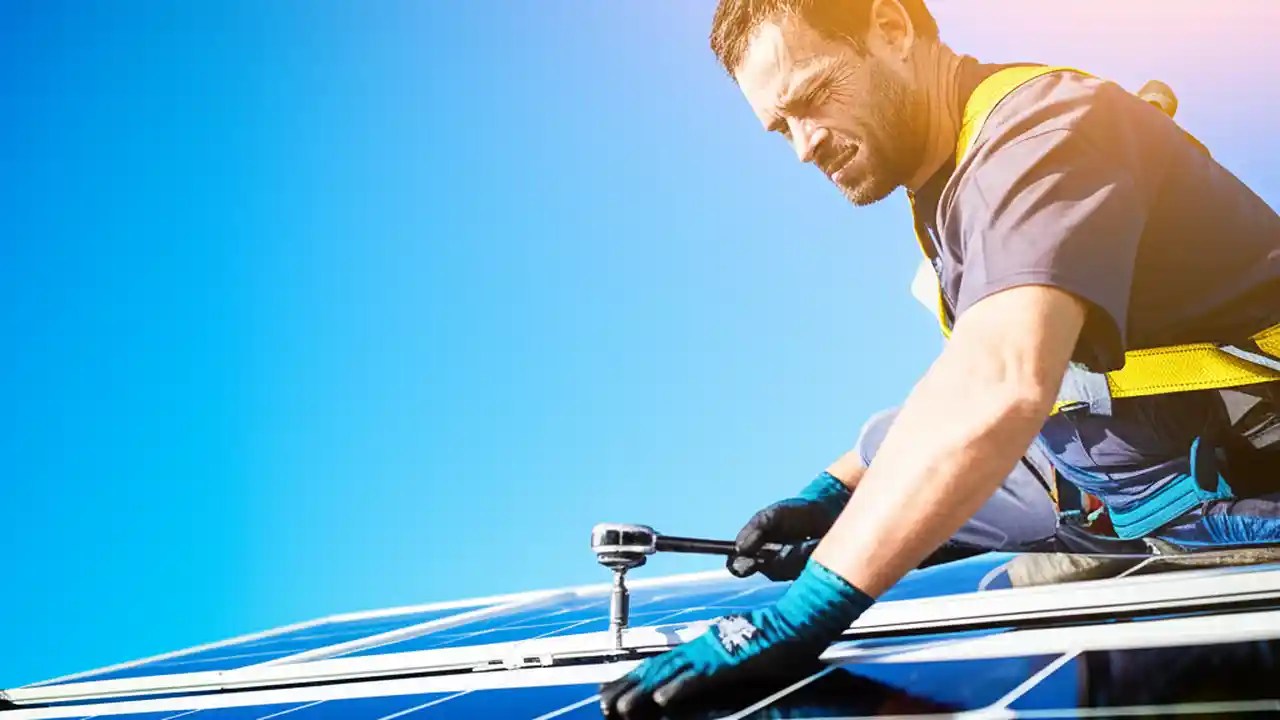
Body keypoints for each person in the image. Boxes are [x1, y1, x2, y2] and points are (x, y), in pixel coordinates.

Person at [599, 0, 1280, 716]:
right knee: (1025, 610)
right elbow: (1003, 385)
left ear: (891, 30)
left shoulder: (1041, 134)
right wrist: (837, 492)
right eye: (781, 127)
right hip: (1124, 487)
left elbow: (997, 387)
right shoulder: (944, 185)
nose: (802, 145)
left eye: (812, 98)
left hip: (1246, 485)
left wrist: (807, 610)